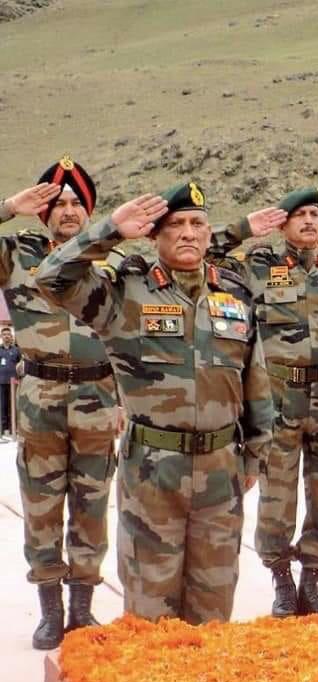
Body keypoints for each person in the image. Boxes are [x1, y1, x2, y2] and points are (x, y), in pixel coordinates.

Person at [36, 181, 274, 624]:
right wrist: (109, 229)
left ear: (209, 233)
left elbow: (254, 379)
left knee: (214, 607)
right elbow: (51, 278)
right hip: (152, 471)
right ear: (154, 236)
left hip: (221, 470)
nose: (188, 233)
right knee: (150, 610)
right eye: (176, 224)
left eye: (197, 224)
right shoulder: (124, 293)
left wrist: (256, 455)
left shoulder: (234, 294)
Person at [209, 187, 318, 621]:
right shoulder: (257, 268)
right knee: (276, 496)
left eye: (315, 214)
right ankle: (282, 581)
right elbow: (205, 253)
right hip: (278, 398)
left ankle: (312, 583)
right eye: (299, 215)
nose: (309, 221)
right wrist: (243, 229)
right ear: (282, 224)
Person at [0, 157, 119, 649]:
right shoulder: (16, 256)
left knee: (92, 506)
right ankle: (50, 610)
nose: (68, 211)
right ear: (44, 212)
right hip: (40, 398)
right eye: (59, 203)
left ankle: (83, 609)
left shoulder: (112, 263)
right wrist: (9, 207)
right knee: (42, 506)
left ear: (89, 211)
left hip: (98, 396)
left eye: (76, 203)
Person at [0, 326, 21, 437]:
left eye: (8, 334)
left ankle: (14, 428)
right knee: (2, 406)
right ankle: (4, 429)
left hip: (14, 383)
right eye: (4, 334)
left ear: (11, 336)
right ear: (1, 336)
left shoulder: (16, 350)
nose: (6, 336)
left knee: (14, 406)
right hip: (1, 382)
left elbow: (20, 365)